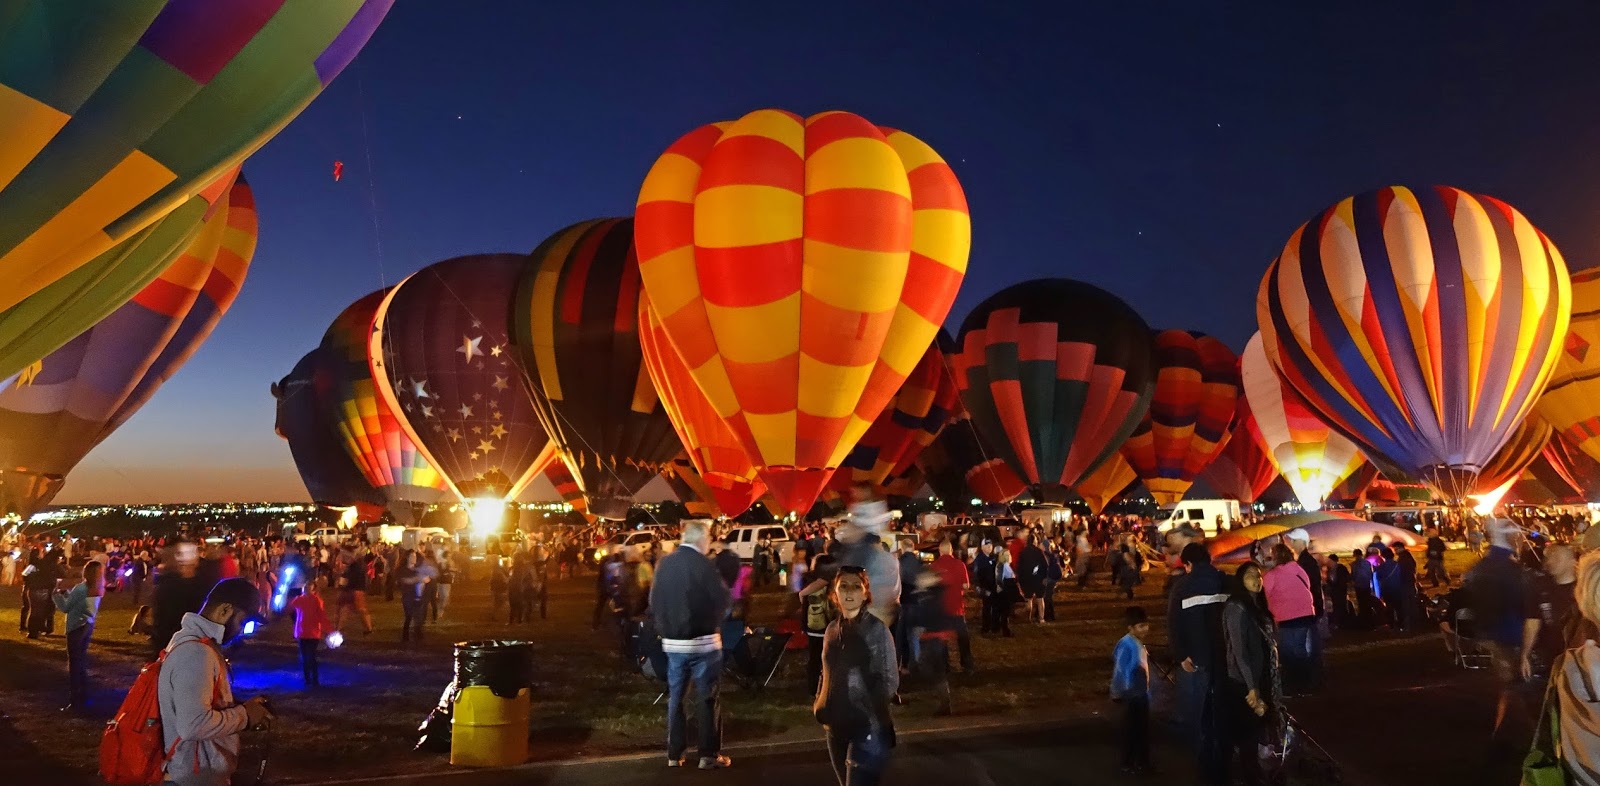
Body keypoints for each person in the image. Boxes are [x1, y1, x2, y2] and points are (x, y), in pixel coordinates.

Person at [159, 578, 275, 786]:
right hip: (194, 779)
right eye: (242, 621)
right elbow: (192, 725)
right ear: (225, 611)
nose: (241, 630)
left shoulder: (192, 642)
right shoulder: (196, 653)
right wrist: (245, 716)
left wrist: (240, 706)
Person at [649, 520, 733, 770]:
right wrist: (715, 621)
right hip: (704, 643)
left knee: (676, 697)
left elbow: (654, 600)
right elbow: (723, 600)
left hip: (674, 644)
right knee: (707, 697)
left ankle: (675, 754)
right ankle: (708, 755)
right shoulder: (705, 565)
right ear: (701, 538)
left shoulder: (665, 564)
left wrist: (664, 628)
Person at [814, 566, 898, 786]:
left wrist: (869, 709)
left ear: (865, 593)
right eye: (843, 587)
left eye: (856, 587)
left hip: (865, 727)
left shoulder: (877, 631)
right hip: (835, 727)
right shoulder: (832, 629)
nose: (849, 593)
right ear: (835, 593)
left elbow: (890, 680)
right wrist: (819, 702)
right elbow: (825, 670)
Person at [1167, 542, 1228, 784]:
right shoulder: (1225, 581)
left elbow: (1174, 623)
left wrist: (1181, 655)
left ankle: (1205, 767)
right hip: (1224, 658)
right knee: (1222, 712)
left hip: (1196, 658)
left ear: (1188, 564)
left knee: (1198, 713)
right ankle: (1224, 764)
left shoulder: (1182, 586)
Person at [1223, 561, 1281, 785]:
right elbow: (1239, 651)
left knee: (1258, 728)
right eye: (1250, 576)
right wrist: (1252, 688)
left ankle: (1256, 772)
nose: (1257, 580)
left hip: (1262, 678)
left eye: (1259, 575)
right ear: (1240, 580)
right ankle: (1249, 776)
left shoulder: (1257, 607)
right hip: (1245, 683)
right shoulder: (1236, 607)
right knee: (1248, 732)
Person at [1263, 543, 1317, 695]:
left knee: (1287, 653)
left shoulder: (1273, 575)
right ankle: (1306, 685)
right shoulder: (1299, 570)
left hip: (1286, 616)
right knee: (1300, 650)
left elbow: (1263, 594)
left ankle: (1292, 686)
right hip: (1306, 614)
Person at [1523, 544, 1579, 681]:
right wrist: (1525, 654)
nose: (1550, 562)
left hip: (1578, 658)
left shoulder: (1582, 589)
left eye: (1557, 557)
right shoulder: (1541, 587)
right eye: (1549, 557)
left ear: (1572, 562)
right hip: (1550, 657)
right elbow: (1532, 622)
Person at [53, 561, 103, 711]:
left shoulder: (81, 588)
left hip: (75, 628)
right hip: (87, 626)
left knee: (74, 664)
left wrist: (55, 594)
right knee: (81, 661)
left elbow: (66, 607)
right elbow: (80, 603)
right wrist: (67, 594)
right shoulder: (97, 588)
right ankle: (84, 695)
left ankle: (75, 700)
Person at [1110, 606, 1152, 776]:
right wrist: (1120, 691)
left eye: (1145, 625)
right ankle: (1128, 764)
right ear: (1130, 627)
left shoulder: (1136, 643)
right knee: (1132, 731)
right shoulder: (1127, 644)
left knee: (1142, 730)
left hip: (1141, 694)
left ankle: (1142, 762)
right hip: (1132, 695)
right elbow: (1121, 670)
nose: (1145, 629)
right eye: (1140, 626)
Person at [928, 540, 975, 674]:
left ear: (940, 551)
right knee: (963, 638)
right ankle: (967, 664)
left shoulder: (934, 566)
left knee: (942, 639)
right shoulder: (960, 565)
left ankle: (944, 665)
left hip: (941, 609)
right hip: (957, 608)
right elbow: (966, 586)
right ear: (951, 550)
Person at [288, 579, 330, 688]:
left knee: (311, 656)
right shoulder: (299, 600)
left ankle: (314, 679)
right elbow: (289, 609)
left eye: (308, 588)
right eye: (305, 587)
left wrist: (328, 630)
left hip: (312, 633)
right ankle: (308, 679)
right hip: (302, 633)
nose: (306, 589)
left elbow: (321, 616)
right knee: (305, 657)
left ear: (313, 590)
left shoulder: (316, 600)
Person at [394, 550, 434, 643]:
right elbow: (405, 581)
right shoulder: (402, 570)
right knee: (409, 616)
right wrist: (418, 579)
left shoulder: (417, 569)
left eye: (415, 556)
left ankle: (418, 636)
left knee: (419, 617)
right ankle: (405, 637)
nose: (414, 558)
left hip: (418, 596)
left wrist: (426, 579)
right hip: (408, 596)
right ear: (407, 557)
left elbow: (425, 580)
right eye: (412, 556)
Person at [335, 553, 374, 635]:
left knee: (357, 609)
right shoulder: (355, 566)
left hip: (354, 591)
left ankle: (368, 628)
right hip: (354, 590)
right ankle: (368, 628)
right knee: (352, 609)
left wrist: (342, 582)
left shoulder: (355, 567)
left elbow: (348, 579)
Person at [1016, 531, 1048, 624]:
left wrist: (1020, 579)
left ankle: (1028, 618)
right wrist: (1045, 577)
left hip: (1027, 579)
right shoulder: (1039, 552)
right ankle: (1041, 618)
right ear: (1035, 542)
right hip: (1038, 578)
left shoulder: (1023, 552)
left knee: (1029, 599)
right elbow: (1045, 565)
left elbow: (1019, 567)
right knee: (1040, 599)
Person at [971, 539, 1000, 634]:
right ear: (982, 547)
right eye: (987, 546)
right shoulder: (980, 559)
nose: (990, 548)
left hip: (993, 586)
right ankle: (986, 627)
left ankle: (994, 626)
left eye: (991, 546)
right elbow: (976, 575)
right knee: (987, 607)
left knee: (995, 606)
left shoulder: (992, 558)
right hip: (986, 587)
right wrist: (980, 588)